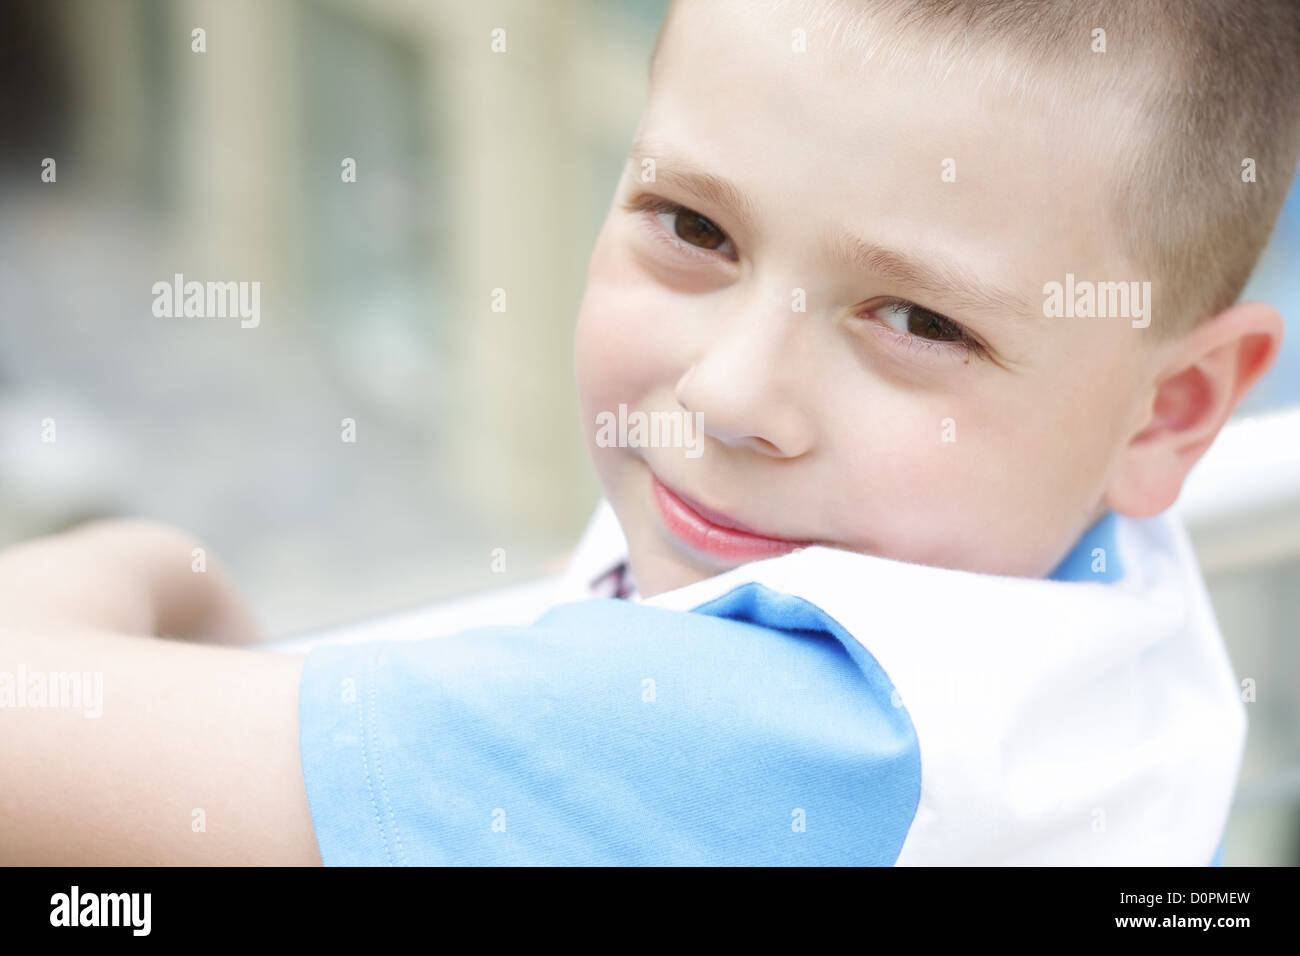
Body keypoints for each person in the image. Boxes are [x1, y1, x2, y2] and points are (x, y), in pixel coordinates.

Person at [2, 0, 1297, 865]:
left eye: (916, 320)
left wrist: (140, 557)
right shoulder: (1081, 581)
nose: (730, 393)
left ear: (1173, 408)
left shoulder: (765, 738)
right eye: (692, 229)